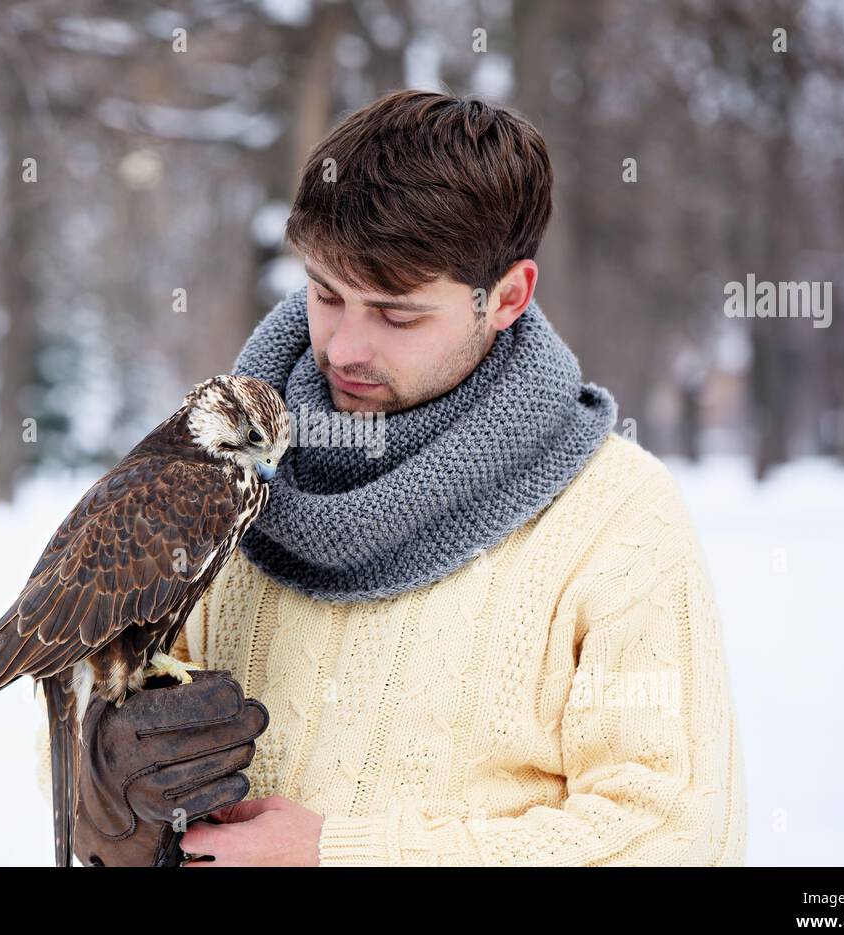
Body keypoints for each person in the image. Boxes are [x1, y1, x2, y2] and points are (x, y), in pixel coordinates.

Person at [40, 89, 747, 867]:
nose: (344, 347)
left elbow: (674, 838)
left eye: (397, 315)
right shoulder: (211, 476)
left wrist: (343, 855)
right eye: (325, 294)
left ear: (507, 297)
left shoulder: (618, 519)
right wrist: (109, 795)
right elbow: (81, 736)